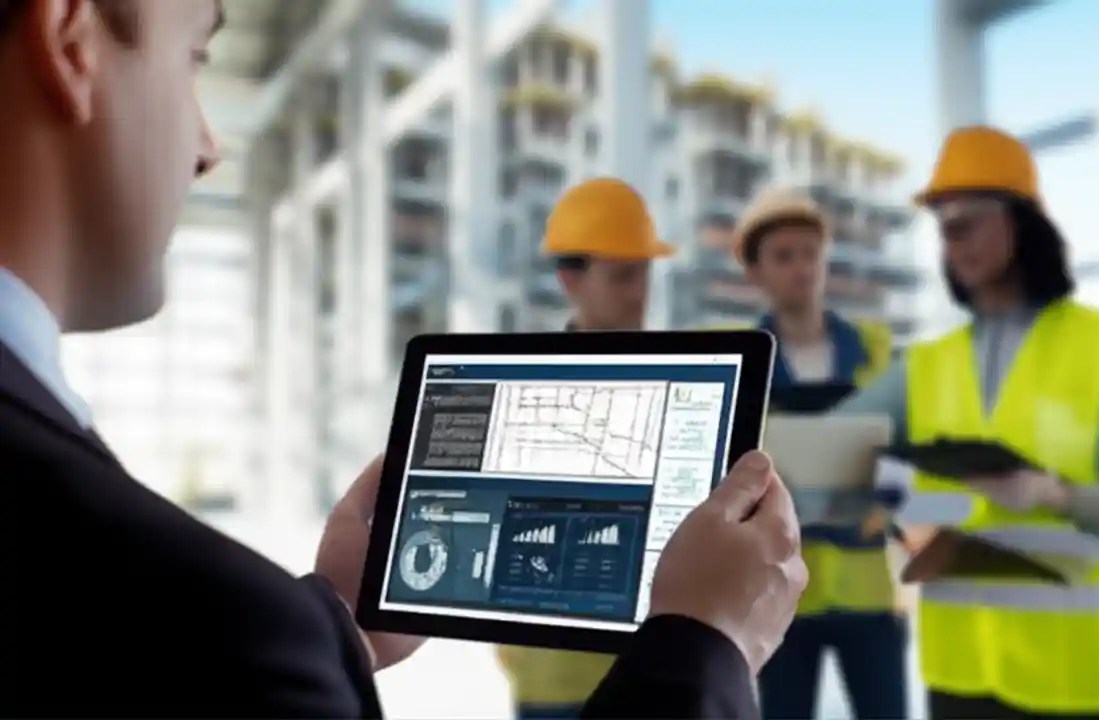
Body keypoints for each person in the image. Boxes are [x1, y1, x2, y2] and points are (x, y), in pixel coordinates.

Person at [0, 2, 808, 717]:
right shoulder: (230, 638)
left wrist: (339, 625)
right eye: (194, 59)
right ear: (71, 41)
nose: (210, 146)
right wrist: (704, 648)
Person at [836, 125, 1099, 720]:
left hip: (1070, 677)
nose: (953, 240)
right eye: (944, 227)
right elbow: (834, 450)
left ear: (1021, 222)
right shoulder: (926, 365)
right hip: (960, 675)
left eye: (968, 221)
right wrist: (901, 513)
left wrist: (1053, 494)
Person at [495, 176, 678, 718]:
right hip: (555, 673)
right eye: (623, 276)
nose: (639, 292)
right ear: (569, 279)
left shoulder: (688, 382)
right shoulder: (525, 389)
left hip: (658, 665)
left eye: (644, 273)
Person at [722, 188, 907, 720]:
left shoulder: (875, 352)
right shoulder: (745, 364)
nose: (801, 268)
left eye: (810, 254)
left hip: (868, 590)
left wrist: (889, 502)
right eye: (784, 256)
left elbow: (905, 453)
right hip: (782, 600)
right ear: (756, 272)